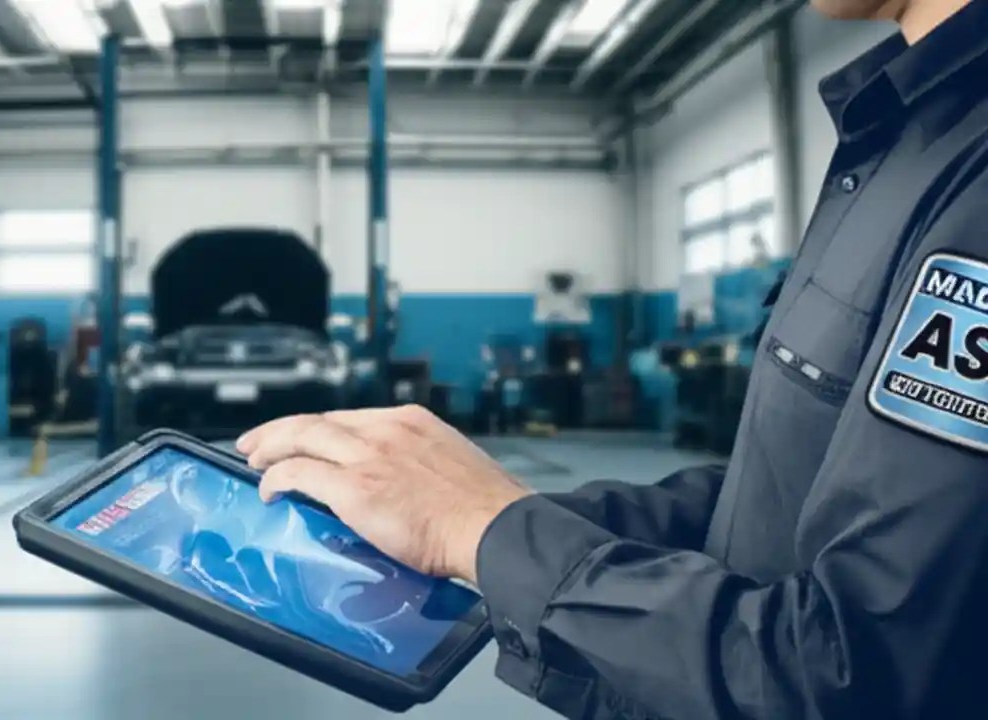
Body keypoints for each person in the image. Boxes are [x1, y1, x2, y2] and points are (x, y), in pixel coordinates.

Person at [235, 0, 988, 717]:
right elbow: (790, 498)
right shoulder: (905, 136)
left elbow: (855, 675)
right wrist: (497, 519)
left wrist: (485, 531)